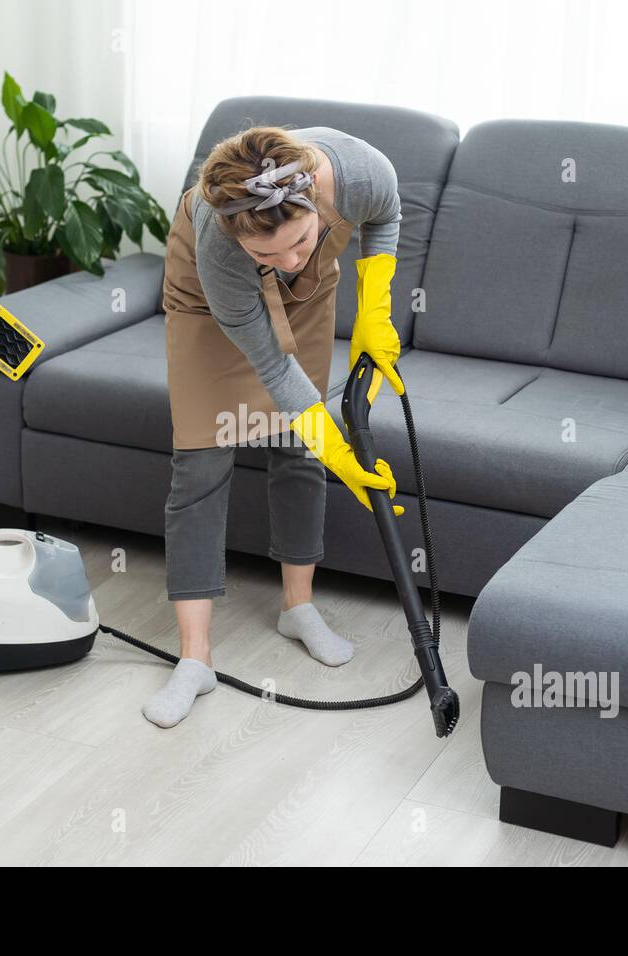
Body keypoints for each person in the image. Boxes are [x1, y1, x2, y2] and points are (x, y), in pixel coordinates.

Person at [147, 124, 405, 727]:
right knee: (202, 459)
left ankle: (298, 606)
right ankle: (196, 656)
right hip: (211, 303)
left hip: (312, 300)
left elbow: (386, 211)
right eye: (270, 254)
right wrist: (343, 453)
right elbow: (270, 364)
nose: (289, 262)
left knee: (297, 449)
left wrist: (376, 307)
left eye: (303, 240)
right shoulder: (218, 244)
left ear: (317, 198)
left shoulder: (359, 173)